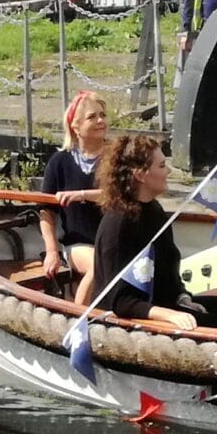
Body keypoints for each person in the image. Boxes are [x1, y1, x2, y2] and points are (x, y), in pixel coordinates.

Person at [89, 132, 205, 331]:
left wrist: (183, 297)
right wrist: (168, 315)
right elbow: (120, 300)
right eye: (161, 166)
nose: (168, 171)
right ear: (140, 174)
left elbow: (168, 270)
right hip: (126, 320)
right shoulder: (119, 223)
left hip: (162, 304)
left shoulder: (154, 210)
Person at [36, 91, 110, 295]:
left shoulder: (116, 157)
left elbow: (119, 194)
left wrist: (82, 194)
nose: (100, 120)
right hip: (79, 244)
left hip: (114, 241)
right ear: (75, 126)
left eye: (103, 115)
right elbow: (46, 211)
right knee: (99, 267)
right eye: (92, 117)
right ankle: (79, 322)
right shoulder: (60, 161)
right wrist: (52, 251)